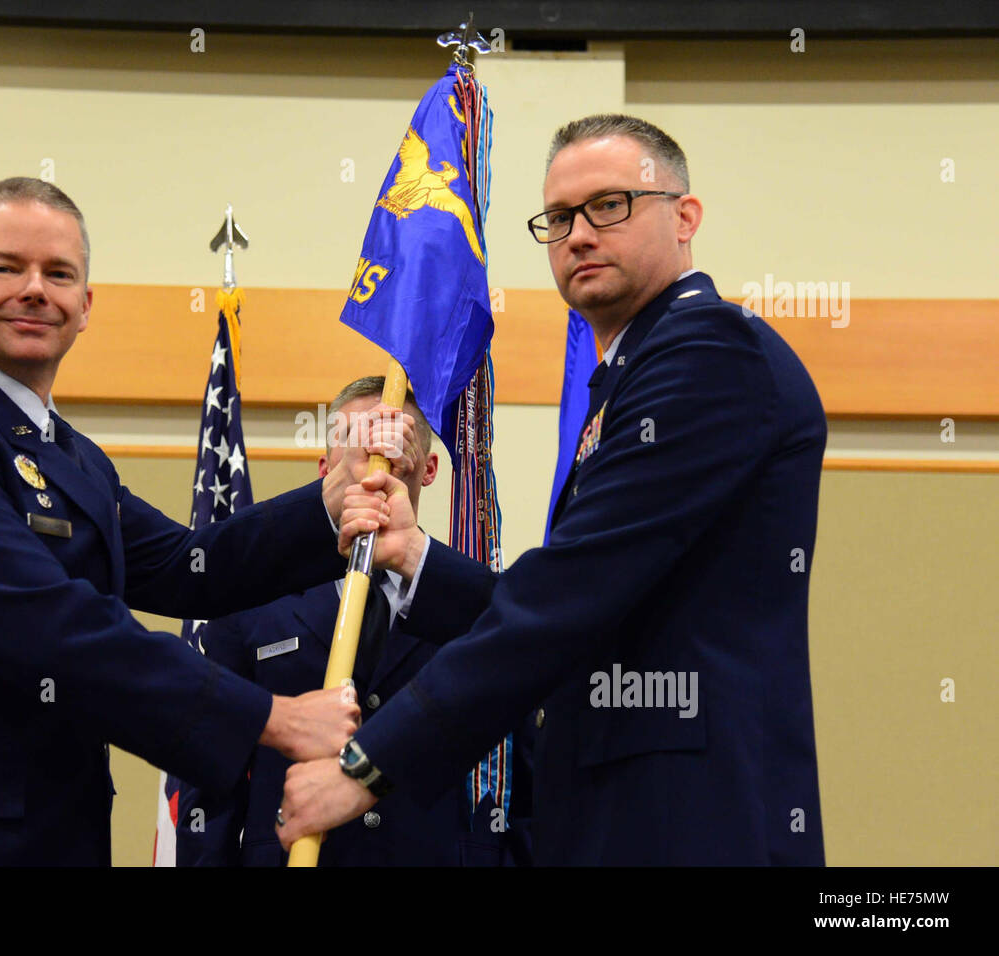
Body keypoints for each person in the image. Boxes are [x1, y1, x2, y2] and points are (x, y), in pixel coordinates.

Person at [0, 177, 422, 866]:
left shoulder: (71, 457)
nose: (35, 289)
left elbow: (190, 567)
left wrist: (326, 504)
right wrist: (271, 718)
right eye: (6, 267)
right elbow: (49, 627)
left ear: (86, 305)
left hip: (54, 840)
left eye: (59, 273)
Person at [278, 114, 828, 866]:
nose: (579, 235)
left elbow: (568, 598)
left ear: (686, 216)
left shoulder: (708, 355)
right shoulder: (634, 374)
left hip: (689, 821)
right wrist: (415, 558)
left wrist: (369, 765)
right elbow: (593, 609)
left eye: (610, 205)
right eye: (560, 218)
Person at [176, 377, 531, 866]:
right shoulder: (252, 601)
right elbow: (212, 777)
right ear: (327, 471)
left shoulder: (477, 603)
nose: (375, 477)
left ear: (427, 470)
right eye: (359, 457)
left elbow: (526, 769)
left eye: (392, 455)